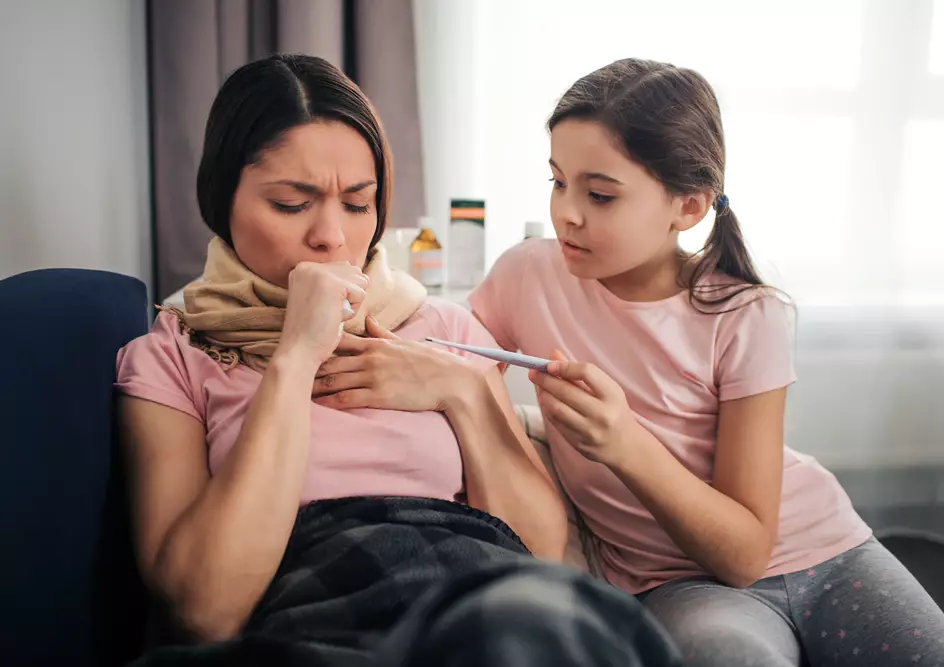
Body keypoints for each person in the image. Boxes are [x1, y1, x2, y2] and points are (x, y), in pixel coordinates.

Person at [115, 54, 680, 666]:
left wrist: (462, 392)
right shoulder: (173, 356)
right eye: (289, 204)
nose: (332, 236)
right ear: (222, 199)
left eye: (358, 205)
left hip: (487, 598)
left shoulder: (446, 330)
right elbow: (205, 611)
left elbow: (539, 553)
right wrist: (296, 355)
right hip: (318, 611)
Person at [460, 59, 944, 666]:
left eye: (599, 194)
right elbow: (447, 352)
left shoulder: (745, 314)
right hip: (682, 584)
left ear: (689, 206)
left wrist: (624, 443)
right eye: (557, 182)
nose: (567, 213)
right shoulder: (528, 274)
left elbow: (746, 551)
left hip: (828, 549)